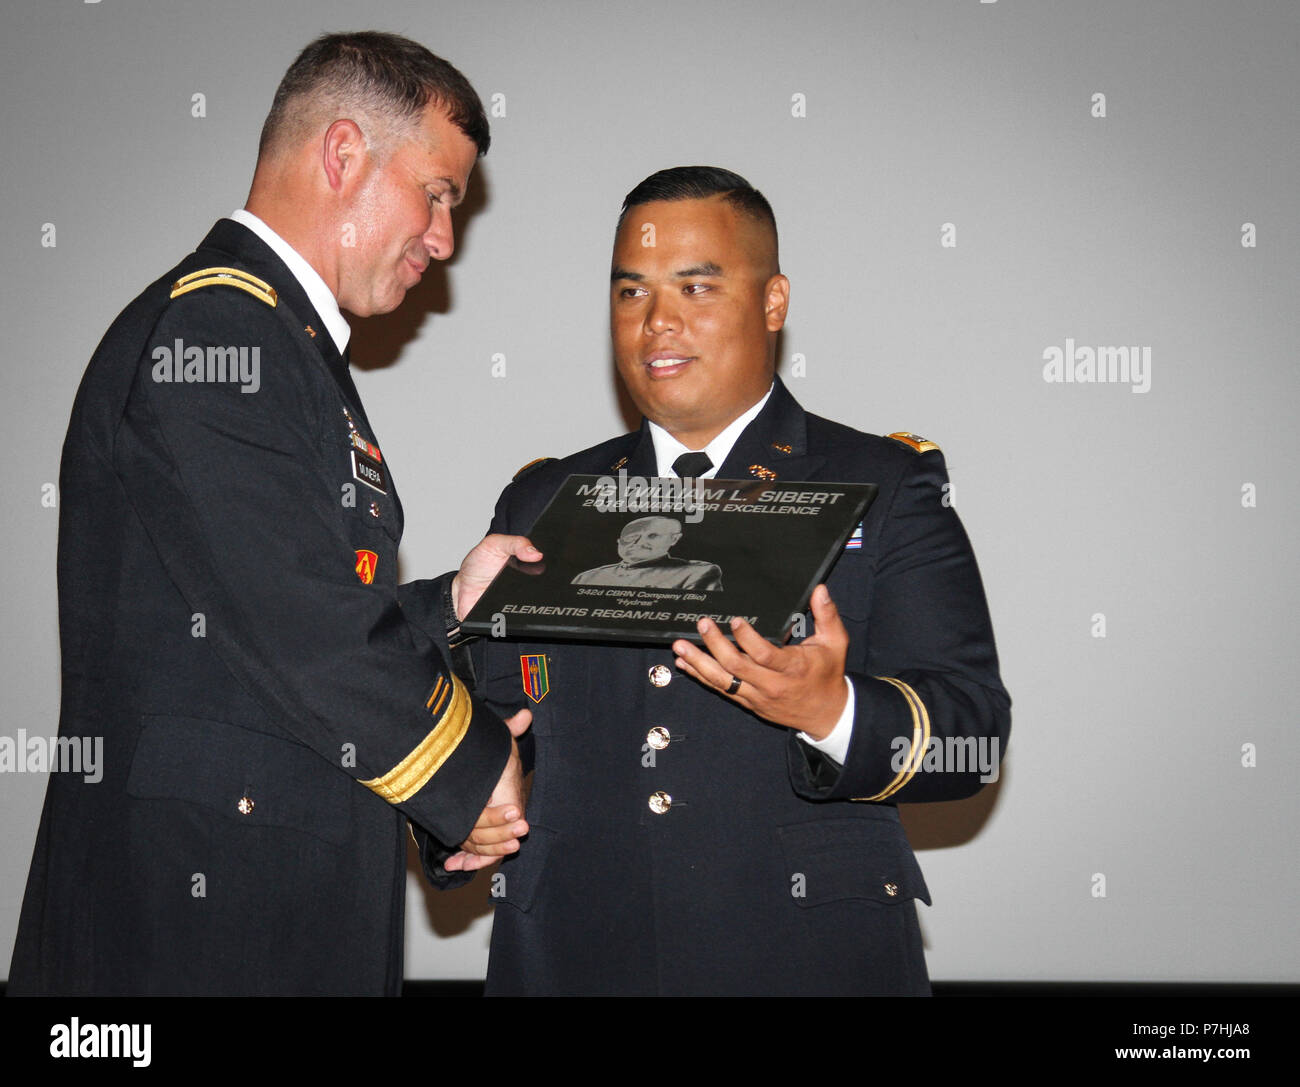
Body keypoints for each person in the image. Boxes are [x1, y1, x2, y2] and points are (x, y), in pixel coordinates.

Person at [8, 32, 533, 997]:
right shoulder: (220, 329)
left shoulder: (279, 342)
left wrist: (447, 607)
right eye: (438, 194)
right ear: (342, 155)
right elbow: (305, 626)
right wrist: (470, 763)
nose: (444, 238)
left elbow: (258, 620)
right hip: (192, 927)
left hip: (253, 905)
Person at [474, 166, 1011, 996]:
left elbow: (972, 730)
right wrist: (463, 802)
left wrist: (832, 713)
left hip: (805, 955)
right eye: (631, 292)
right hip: (573, 953)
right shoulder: (544, 499)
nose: (657, 321)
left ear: (773, 303)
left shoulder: (885, 482)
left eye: (695, 286)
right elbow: (489, 713)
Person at [571, 515, 723, 589]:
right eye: (631, 537)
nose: (639, 543)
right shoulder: (587, 577)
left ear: (674, 539)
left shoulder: (696, 573)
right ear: (619, 542)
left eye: (653, 536)